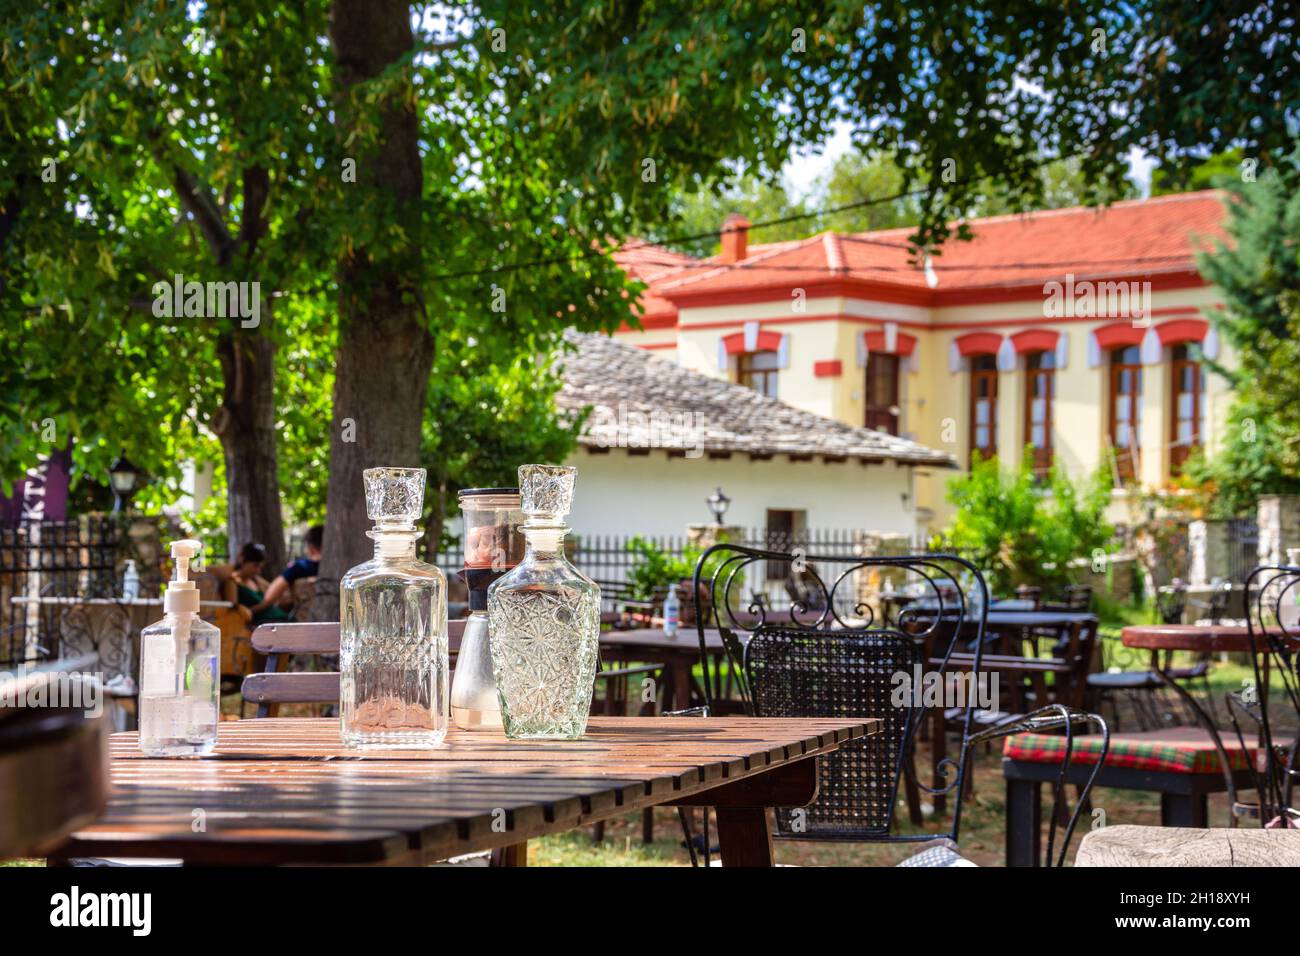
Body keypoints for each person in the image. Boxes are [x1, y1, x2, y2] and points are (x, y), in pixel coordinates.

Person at [251, 524, 322, 617]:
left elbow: (269, 597)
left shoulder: (300, 568)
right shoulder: (343, 568)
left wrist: (249, 612)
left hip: (305, 622)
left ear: (310, 547)